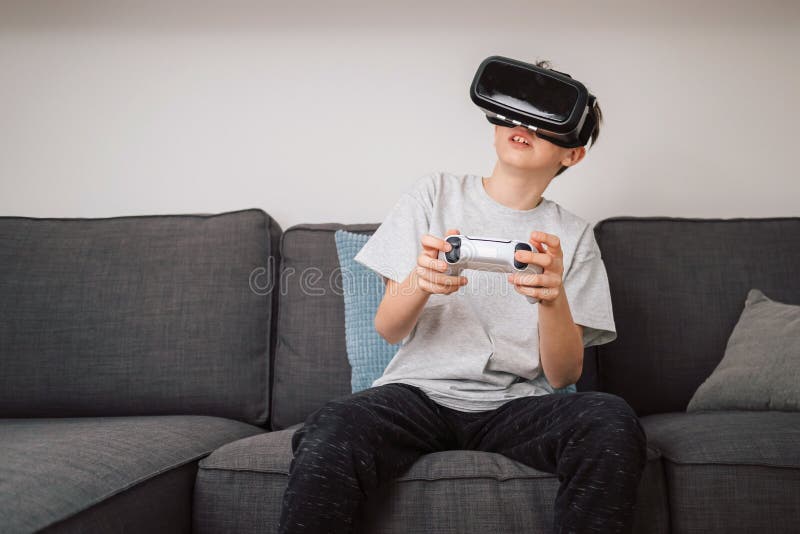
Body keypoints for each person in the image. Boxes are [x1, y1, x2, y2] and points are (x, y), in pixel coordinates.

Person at [277, 59, 648, 534]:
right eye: (516, 113)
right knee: (333, 425)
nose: (525, 126)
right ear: (494, 122)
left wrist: (553, 299)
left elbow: (564, 374)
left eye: (545, 122)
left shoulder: (572, 237)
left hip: (516, 404)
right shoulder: (435, 194)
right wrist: (422, 281)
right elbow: (388, 327)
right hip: (418, 395)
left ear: (571, 155)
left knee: (611, 418)